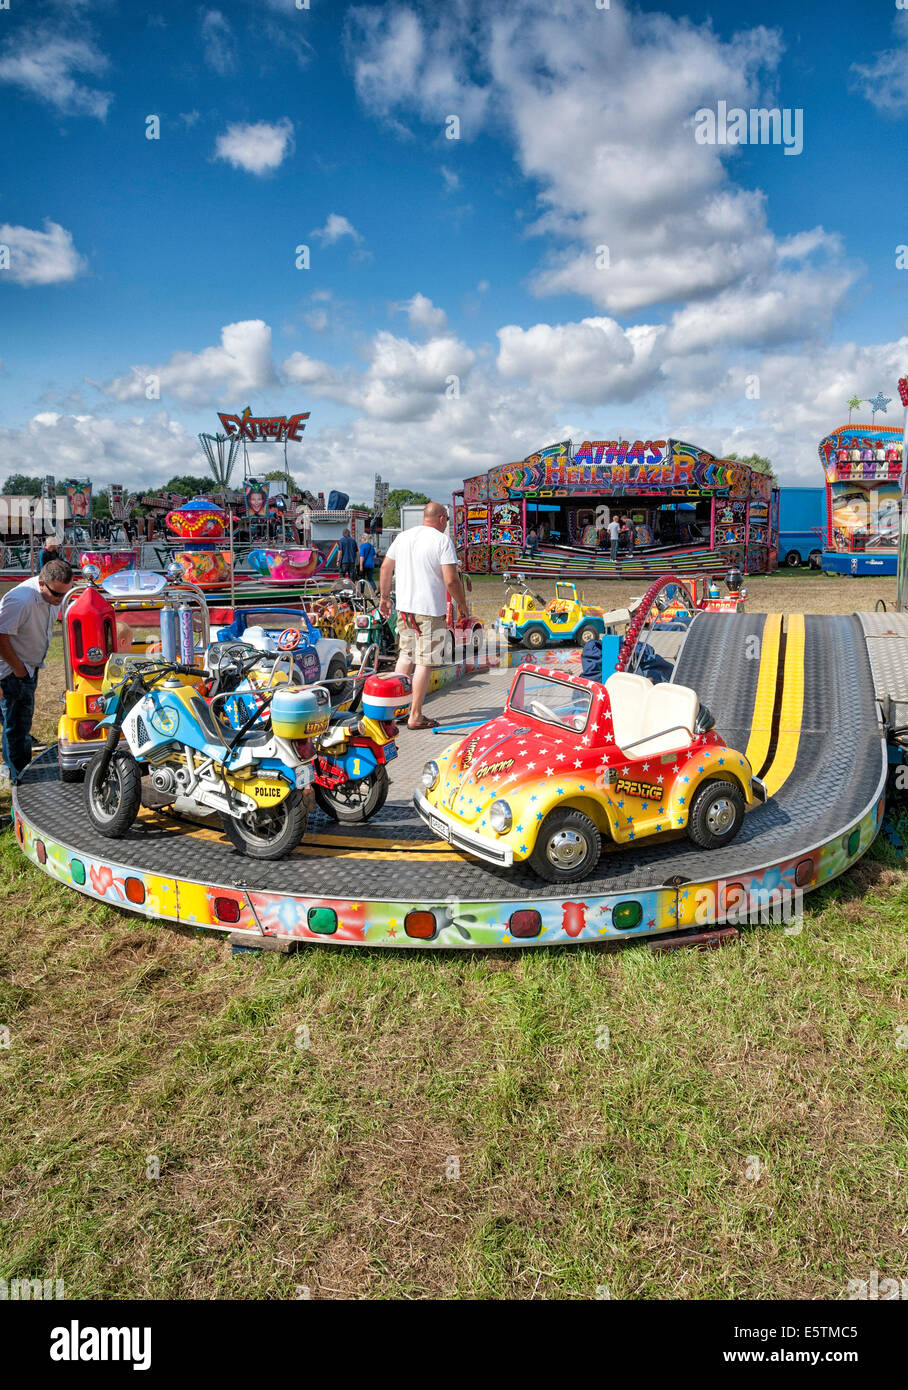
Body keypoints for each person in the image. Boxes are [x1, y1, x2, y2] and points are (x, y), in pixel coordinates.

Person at [379, 502, 467, 730]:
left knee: (406, 657)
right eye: (447, 519)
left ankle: (395, 710)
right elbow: (451, 579)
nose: (446, 524)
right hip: (429, 610)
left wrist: (385, 598)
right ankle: (415, 715)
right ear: (440, 519)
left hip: (405, 609)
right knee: (425, 662)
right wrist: (462, 604)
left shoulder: (403, 537)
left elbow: (385, 568)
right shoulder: (442, 541)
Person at [0, 558, 74, 782]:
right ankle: (20, 778)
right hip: (12, 673)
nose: (61, 600)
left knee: (13, 722)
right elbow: (0, 637)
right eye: (57, 594)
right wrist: (19, 669)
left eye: (65, 594)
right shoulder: (20, 600)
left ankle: (14, 767)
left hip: (26, 669)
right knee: (16, 728)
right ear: (41, 583)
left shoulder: (48, 595)